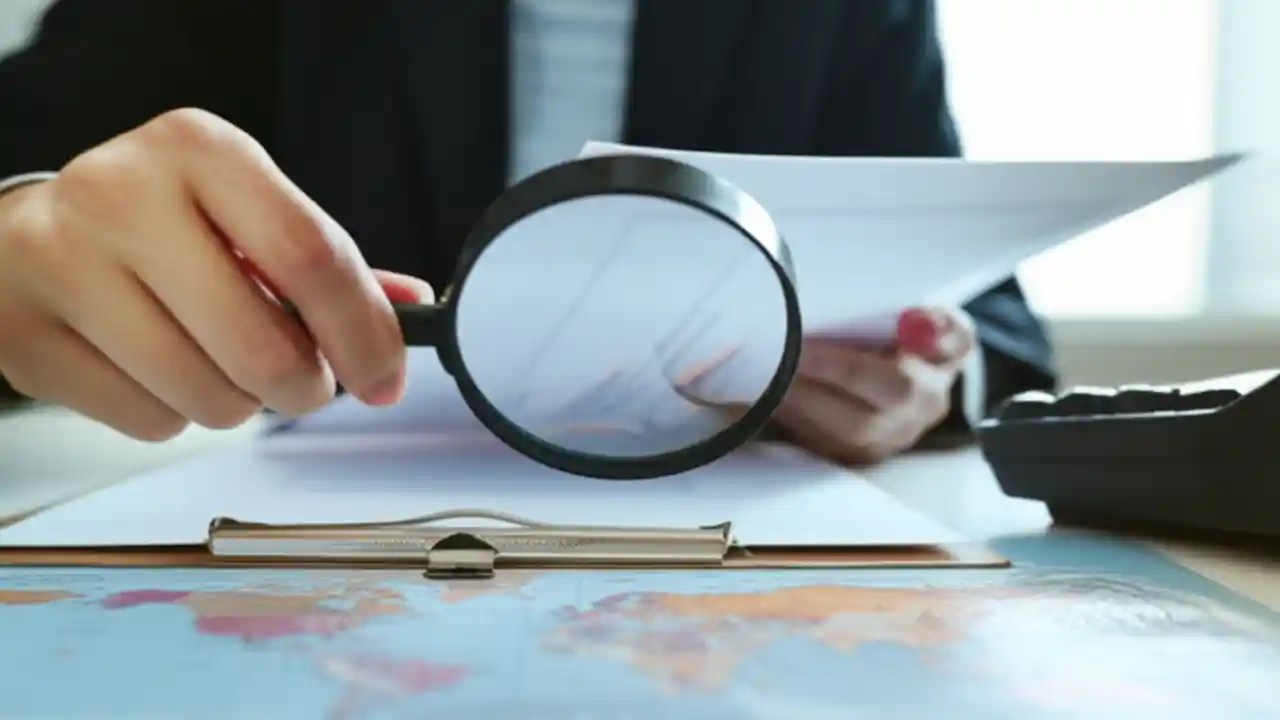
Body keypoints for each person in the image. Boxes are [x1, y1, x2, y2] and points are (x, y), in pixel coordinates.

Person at [0, 0, 1056, 465]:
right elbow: (37, 169)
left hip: (721, 517)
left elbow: (991, 324)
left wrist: (925, 378)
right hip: (320, 509)